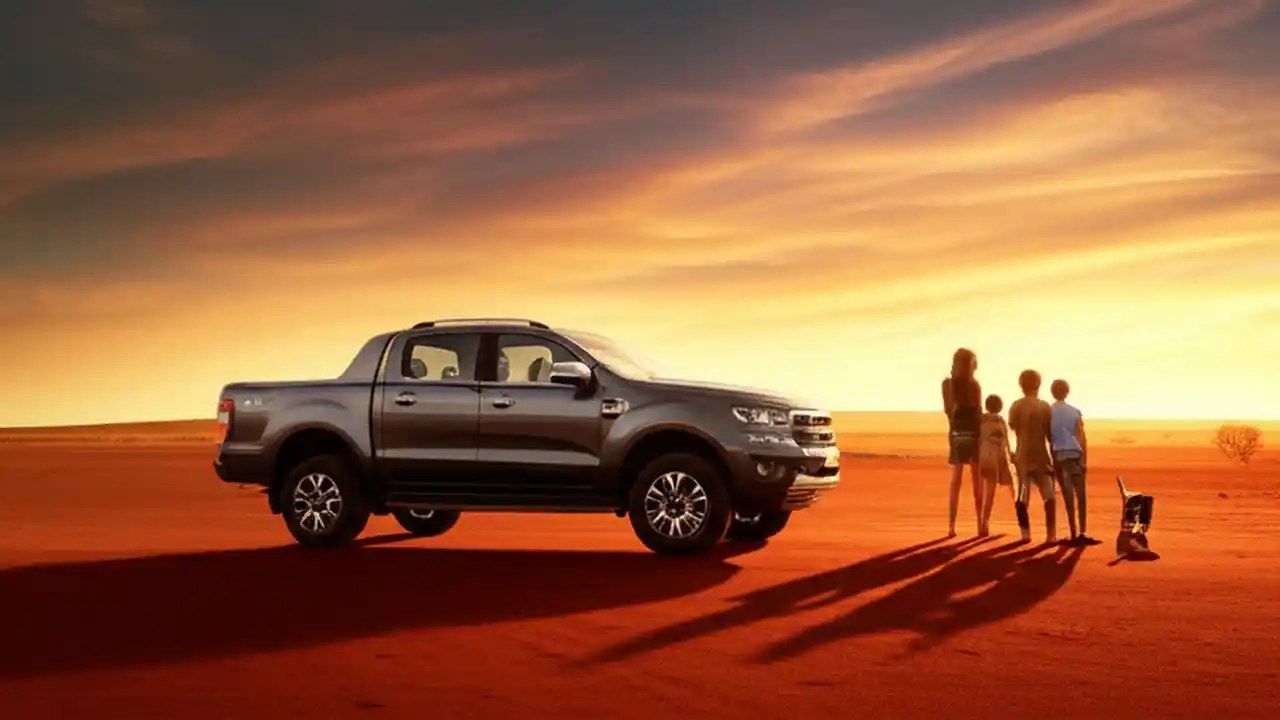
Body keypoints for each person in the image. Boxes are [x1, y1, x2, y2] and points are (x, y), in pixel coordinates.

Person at [1008, 370, 1057, 544]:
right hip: (1041, 457)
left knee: (1022, 496)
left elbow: (1013, 427)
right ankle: (1051, 535)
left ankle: (1025, 533)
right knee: (1049, 496)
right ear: (1038, 384)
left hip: (1022, 457)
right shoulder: (1044, 407)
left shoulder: (1015, 406)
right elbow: (1050, 435)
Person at [1050, 379, 1101, 546]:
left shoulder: (1049, 412)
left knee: (1068, 496)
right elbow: (1081, 436)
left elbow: (1049, 437)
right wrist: (1084, 459)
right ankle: (1082, 532)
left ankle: (1073, 531)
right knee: (1081, 496)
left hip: (1059, 455)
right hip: (1075, 454)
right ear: (1067, 392)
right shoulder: (1075, 411)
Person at [941, 347, 983, 538]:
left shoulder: (947, 384)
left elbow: (948, 410)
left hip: (957, 433)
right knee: (977, 481)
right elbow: (978, 413)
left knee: (955, 482)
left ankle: (951, 526)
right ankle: (980, 523)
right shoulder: (974, 385)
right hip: (973, 434)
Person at [978, 394, 1014, 536]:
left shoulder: (981, 421)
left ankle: (983, 523)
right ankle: (1023, 521)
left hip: (984, 457)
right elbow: (1006, 442)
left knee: (988, 493)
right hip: (996, 459)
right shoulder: (1000, 421)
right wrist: (1011, 457)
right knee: (999, 492)